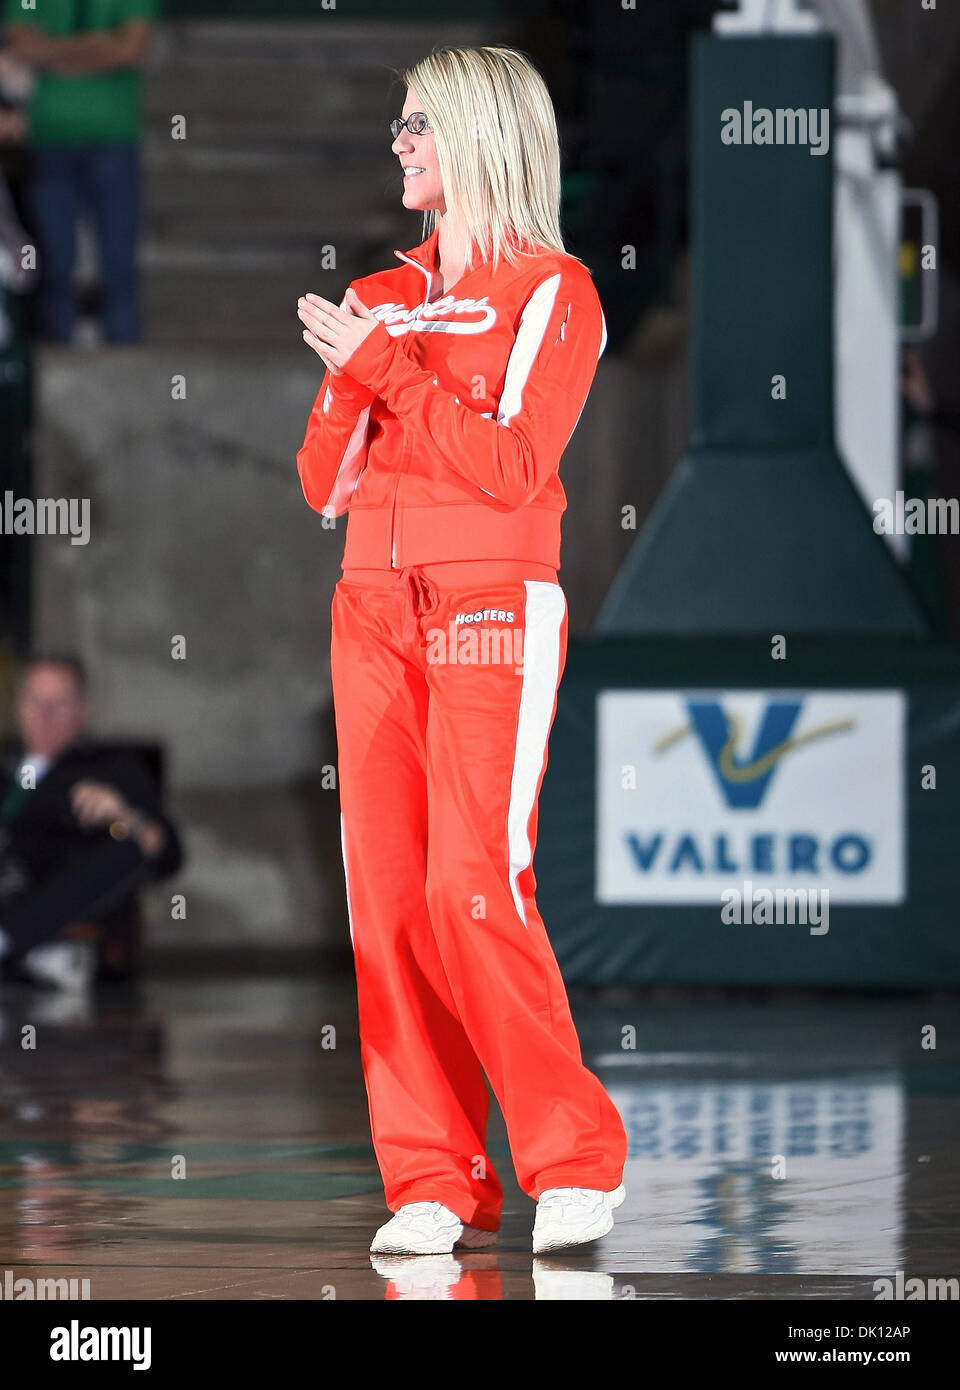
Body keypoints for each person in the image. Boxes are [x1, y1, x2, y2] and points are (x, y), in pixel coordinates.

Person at [295, 45, 628, 1257]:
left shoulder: (557, 290)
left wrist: (382, 370)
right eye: (397, 124)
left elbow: (510, 467)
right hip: (370, 607)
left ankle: (575, 1157)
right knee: (383, 902)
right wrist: (347, 382)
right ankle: (436, 1177)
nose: (399, 142)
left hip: (491, 600)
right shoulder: (382, 295)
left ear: (485, 134)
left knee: (470, 883)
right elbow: (320, 485)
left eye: (419, 123)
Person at [0, 654, 182, 990]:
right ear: (18, 706)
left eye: (60, 704)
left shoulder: (112, 768)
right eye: (35, 702)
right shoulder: (7, 769)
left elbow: (168, 853)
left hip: (59, 890)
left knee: (129, 846)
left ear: (83, 710)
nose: (45, 716)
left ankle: (13, 943)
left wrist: (124, 815)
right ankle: (25, 955)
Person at [3, 0, 156, 343]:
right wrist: (99, 47)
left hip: (114, 136)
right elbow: (22, 44)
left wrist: (51, 53)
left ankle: (123, 357)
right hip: (48, 137)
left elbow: (130, 49)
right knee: (53, 261)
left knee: (119, 260)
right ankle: (55, 361)